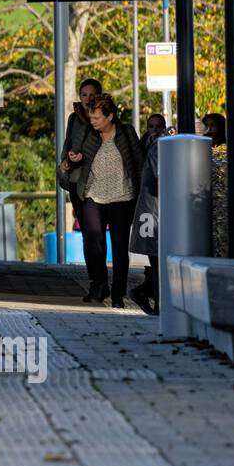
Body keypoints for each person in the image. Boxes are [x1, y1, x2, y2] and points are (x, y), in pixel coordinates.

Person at [73, 93, 143, 308]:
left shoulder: (126, 133)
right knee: (94, 242)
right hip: (93, 194)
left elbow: (139, 162)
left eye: (97, 118)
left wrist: (143, 193)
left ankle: (117, 294)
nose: (92, 121)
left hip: (122, 196)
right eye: (91, 117)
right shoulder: (88, 133)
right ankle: (100, 284)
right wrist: (73, 159)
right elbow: (75, 155)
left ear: (110, 116)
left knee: (120, 248)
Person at [129, 113, 168, 313]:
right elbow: (160, 176)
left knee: (155, 257)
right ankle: (155, 299)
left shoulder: (151, 146)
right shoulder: (153, 147)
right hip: (153, 208)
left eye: (158, 126)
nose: (155, 130)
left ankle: (147, 293)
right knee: (156, 257)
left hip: (150, 207)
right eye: (151, 126)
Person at [59, 78, 103, 207]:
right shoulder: (73, 118)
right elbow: (67, 143)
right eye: (84, 95)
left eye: (92, 95)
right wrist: (64, 161)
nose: (88, 99)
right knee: (83, 221)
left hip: (97, 179)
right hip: (75, 177)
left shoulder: (104, 118)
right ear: (80, 96)